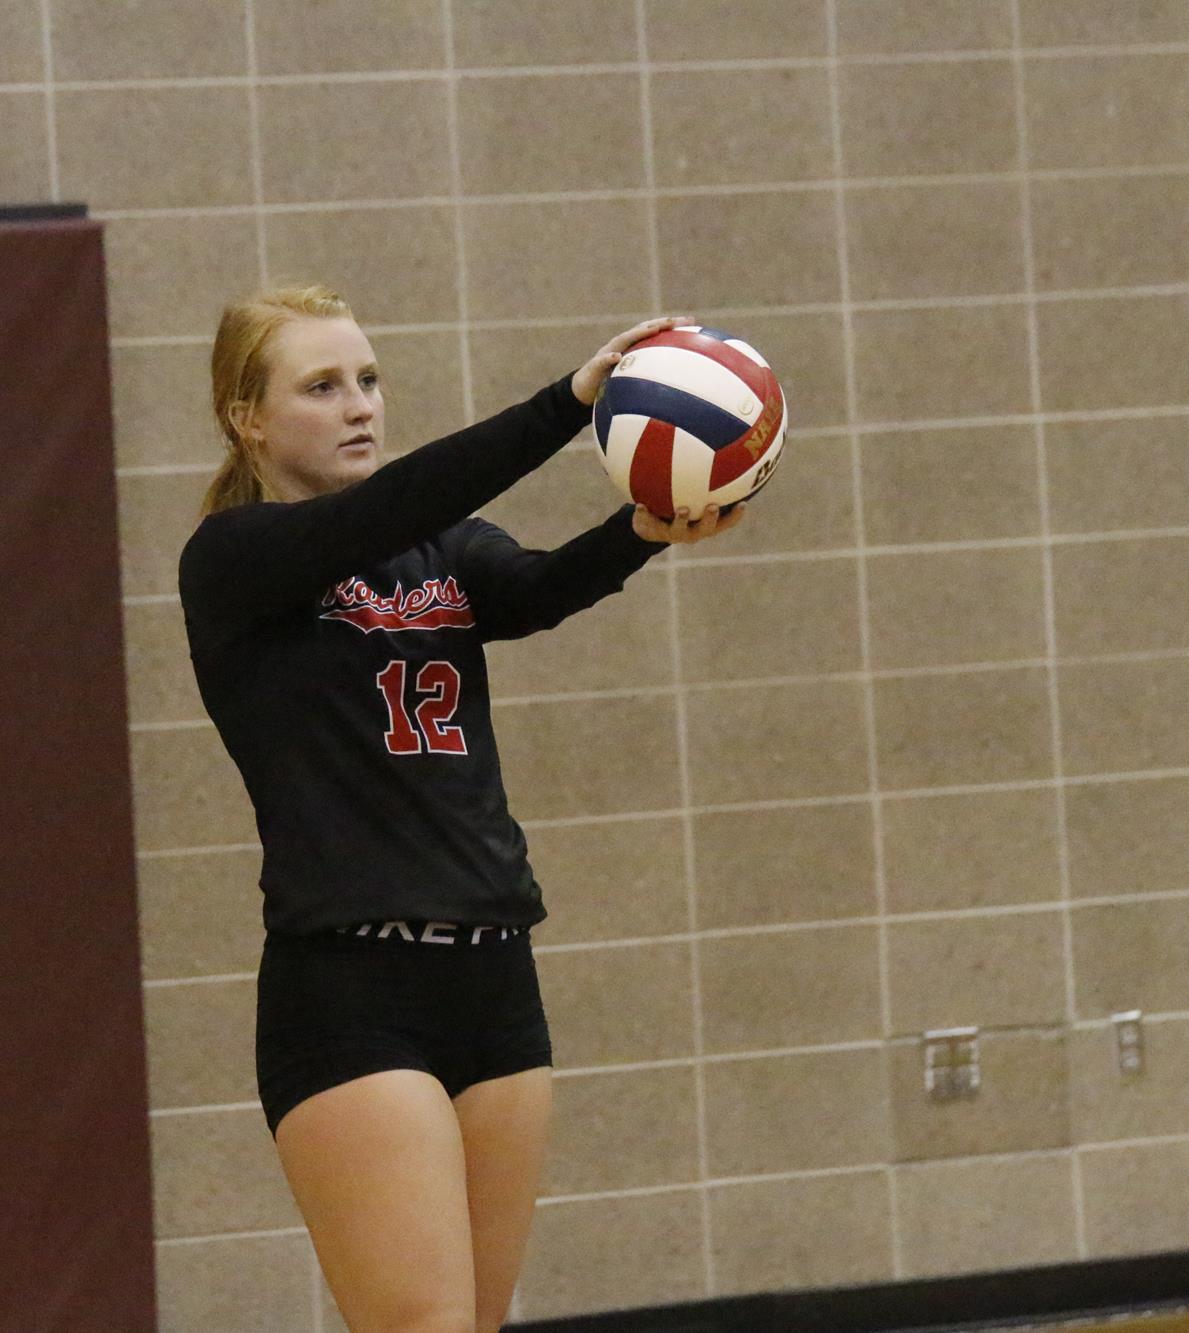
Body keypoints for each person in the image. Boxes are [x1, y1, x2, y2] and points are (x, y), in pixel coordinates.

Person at [177, 284, 745, 1333]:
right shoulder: (234, 560)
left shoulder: (437, 551)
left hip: (492, 975)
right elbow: (393, 506)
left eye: (368, 379)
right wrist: (567, 403)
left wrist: (644, 528)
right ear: (246, 417)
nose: (359, 406)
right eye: (321, 386)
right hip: (350, 989)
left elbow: (530, 589)